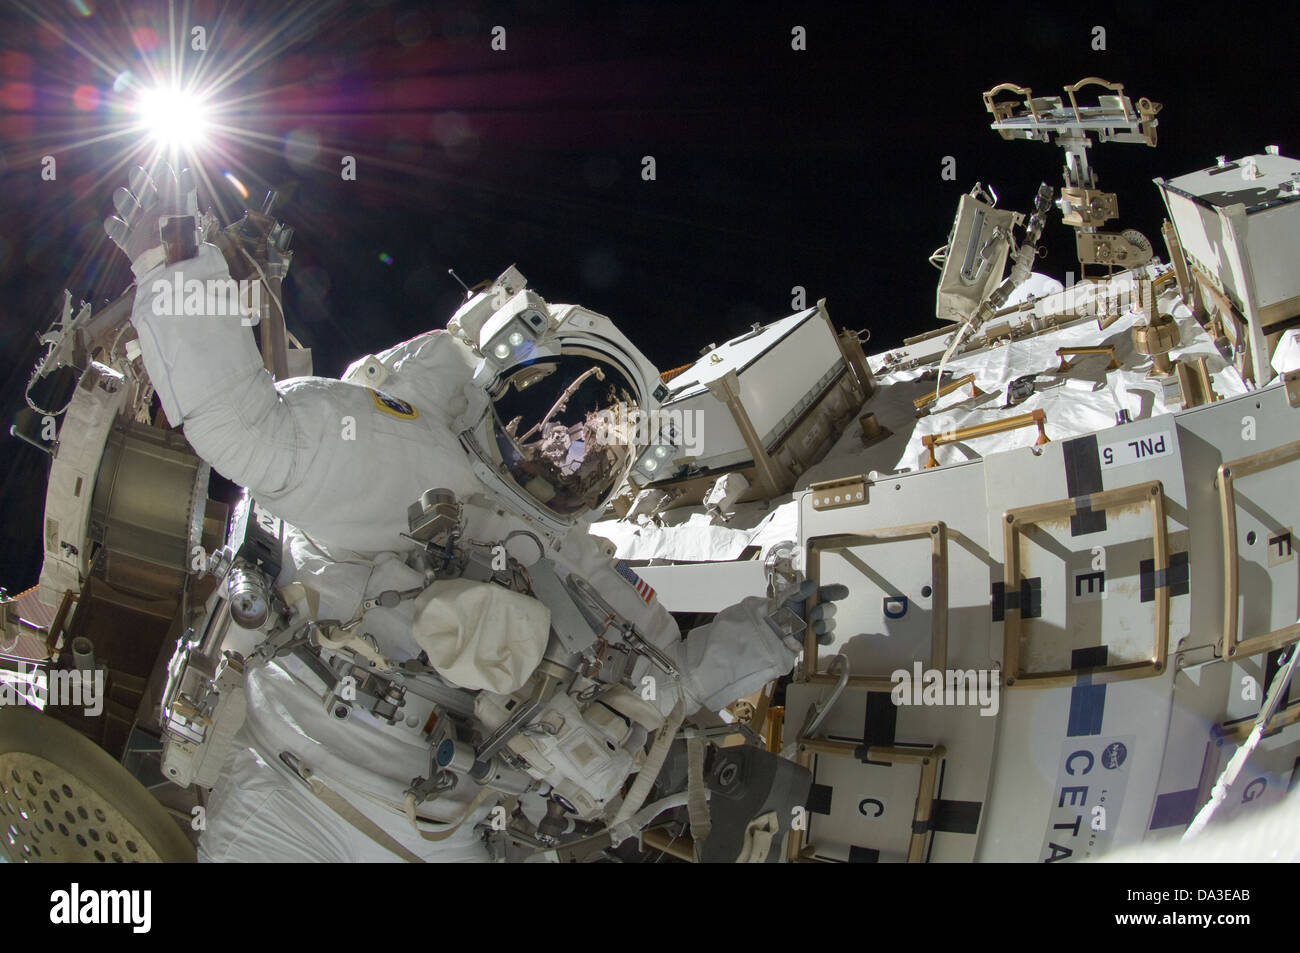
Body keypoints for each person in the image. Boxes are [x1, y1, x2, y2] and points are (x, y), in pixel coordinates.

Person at [105, 164, 843, 862]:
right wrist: (169, 269)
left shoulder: (590, 575)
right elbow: (242, 424)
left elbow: (672, 681)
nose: (573, 451)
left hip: (435, 828)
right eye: (566, 425)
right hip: (297, 780)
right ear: (505, 390)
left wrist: (769, 634)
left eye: (600, 452)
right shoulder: (400, 457)